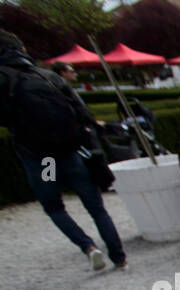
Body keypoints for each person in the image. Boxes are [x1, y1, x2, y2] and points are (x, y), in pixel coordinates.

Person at [0, 30, 126, 271]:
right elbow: (84, 115)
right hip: (71, 152)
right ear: (21, 50)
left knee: (55, 207)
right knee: (96, 208)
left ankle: (88, 247)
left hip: (42, 158)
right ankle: (119, 257)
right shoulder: (49, 76)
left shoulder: (4, 80)